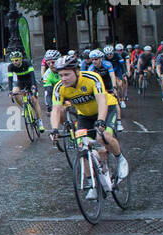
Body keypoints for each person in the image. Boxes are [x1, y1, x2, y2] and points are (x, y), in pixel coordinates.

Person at [49, 54, 127, 196]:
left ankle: (120, 158)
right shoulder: (59, 87)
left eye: (67, 74)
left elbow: (102, 101)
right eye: (60, 75)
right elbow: (56, 109)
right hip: (85, 116)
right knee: (82, 147)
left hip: (106, 108)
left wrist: (101, 121)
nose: (63, 78)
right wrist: (54, 130)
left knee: (103, 137)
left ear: (77, 71)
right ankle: (93, 185)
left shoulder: (92, 78)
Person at [6, 50, 45, 133]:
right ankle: (25, 108)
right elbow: (10, 80)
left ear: (20, 59)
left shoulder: (27, 63)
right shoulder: (10, 67)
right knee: (15, 92)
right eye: (12, 61)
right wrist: (10, 91)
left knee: (34, 100)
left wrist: (34, 87)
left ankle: (40, 121)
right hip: (21, 82)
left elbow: (32, 76)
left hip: (30, 81)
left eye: (16, 60)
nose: (14, 62)